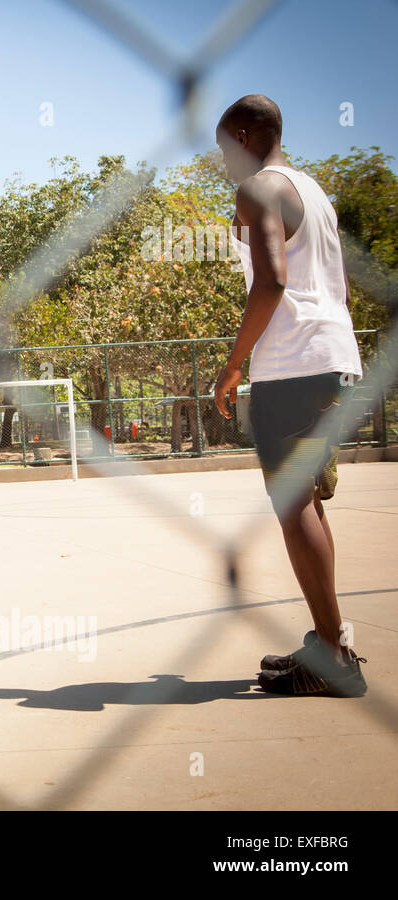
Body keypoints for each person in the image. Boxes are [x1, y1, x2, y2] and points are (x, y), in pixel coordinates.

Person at [213, 94, 367, 697]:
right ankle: (330, 640)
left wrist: (233, 366)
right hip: (333, 358)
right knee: (307, 500)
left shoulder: (258, 189)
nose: (224, 160)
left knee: (292, 503)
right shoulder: (314, 192)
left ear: (247, 134)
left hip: (292, 364)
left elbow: (273, 280)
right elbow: (340, 283)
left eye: (226, 145)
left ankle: (332, 656)